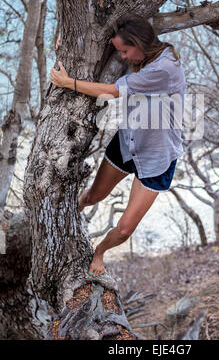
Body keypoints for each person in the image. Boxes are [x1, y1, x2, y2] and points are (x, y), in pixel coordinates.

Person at [50, 14, 186, 276]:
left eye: (125, 51)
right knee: (93, 196)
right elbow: (103, 48)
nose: (122, 57)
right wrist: (67, 44)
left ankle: (99, 252)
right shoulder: (144, 55)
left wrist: (67, 83)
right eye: (119, 51)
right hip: (128, 142)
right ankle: (69, 219)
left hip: (158, 157)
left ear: (140, 44)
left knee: (125, 229)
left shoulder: (164, 69)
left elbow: (112, 92)